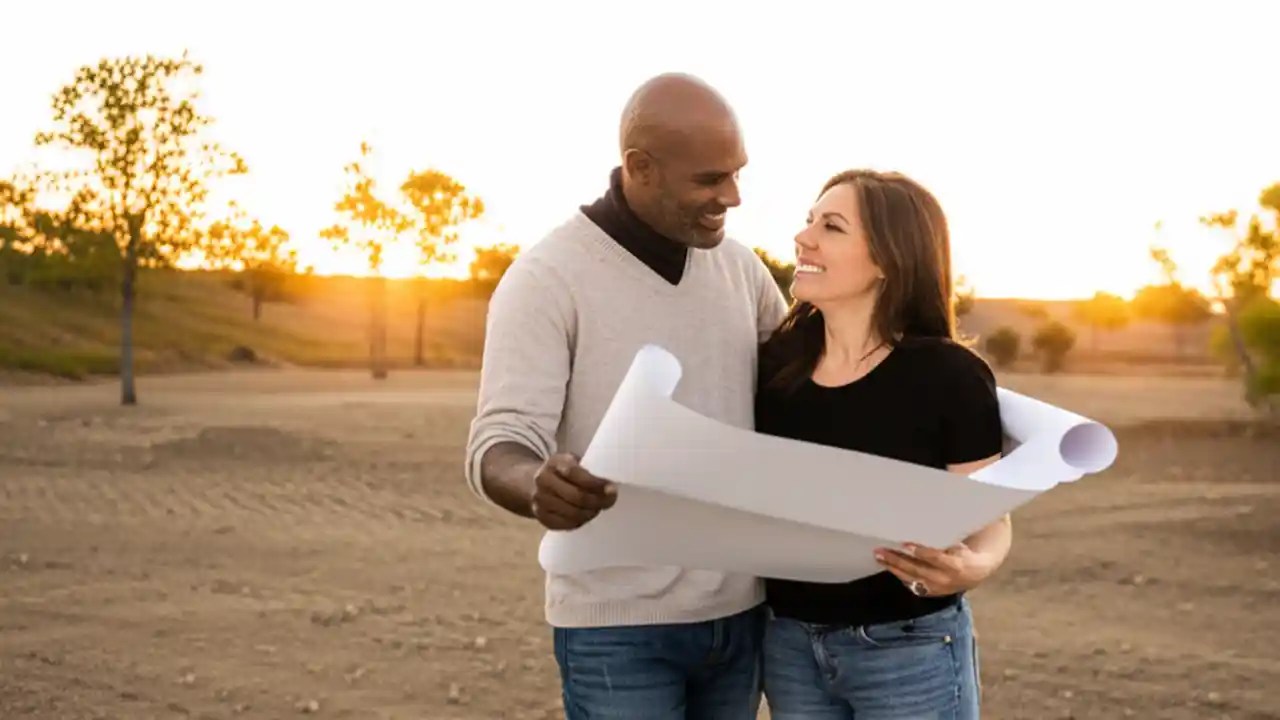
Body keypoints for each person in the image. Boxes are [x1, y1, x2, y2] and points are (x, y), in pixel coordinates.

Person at [464, 72, 788, 719]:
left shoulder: (743, 271)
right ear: (639, 168)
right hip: (615, 628)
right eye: (709, 179)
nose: (734, 195)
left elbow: (805, 396)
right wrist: (537, 485)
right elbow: (498, 444)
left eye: (736, 173)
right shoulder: (546, 279)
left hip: (743, 612)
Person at [754, 169, 1011, 719]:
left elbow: (990, 517)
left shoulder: (948, 375)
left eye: (832, 226)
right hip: (789, 644)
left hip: (908, 645)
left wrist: (976, 567)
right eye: (808, 221)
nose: (804, 238)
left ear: (889, 259)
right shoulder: (778, 366)